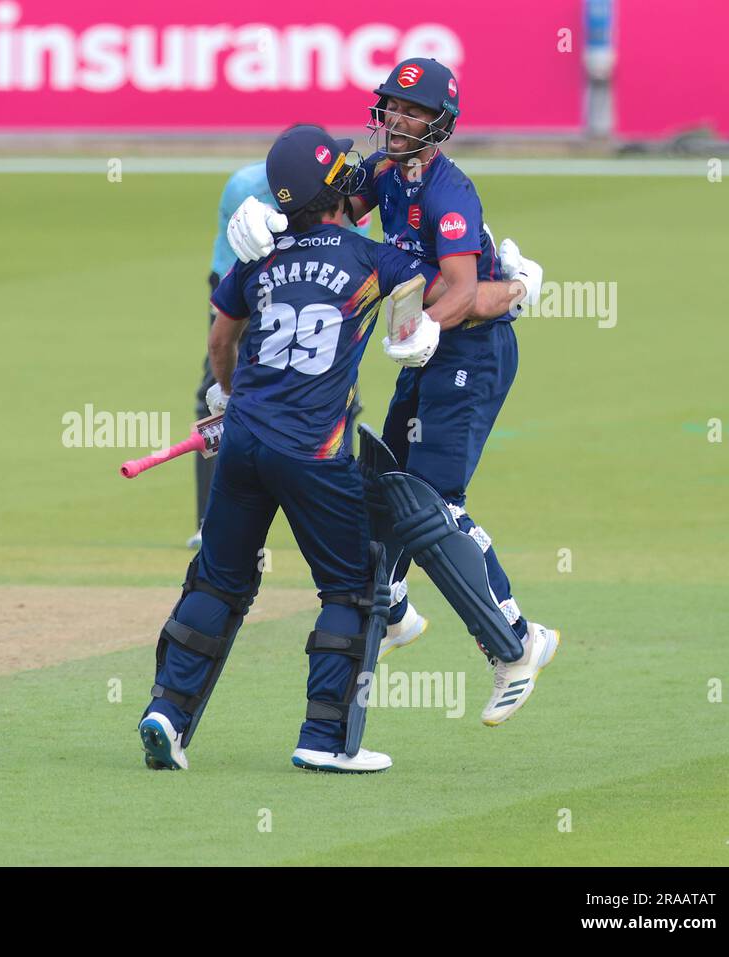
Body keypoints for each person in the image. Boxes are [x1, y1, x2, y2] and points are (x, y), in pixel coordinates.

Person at [139, 127, 515, 774]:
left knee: (219, 581)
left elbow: (221, 341)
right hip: (313, 452)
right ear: (341, 188)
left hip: (244, 443)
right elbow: (461, 298)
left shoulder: (255, 257)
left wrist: (229, 397)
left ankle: (167, 715)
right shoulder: (374, 260)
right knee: (355, 587)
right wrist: (517, 287)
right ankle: (325, 737)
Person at [226, 58, 557, 728]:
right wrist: (263, 213)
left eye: (414, 112)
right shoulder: (381, 173)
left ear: (441, 124)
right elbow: (322, 208)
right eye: (392, 107)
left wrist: (443, 320)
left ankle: (520, 642)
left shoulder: (450, 191)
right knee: (393, 484)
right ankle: (397, 599)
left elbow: (462, 290)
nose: (398, 120)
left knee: (433, 500)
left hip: (473, 350)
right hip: (427, 349)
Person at [189, 161, 372, 549]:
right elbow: (230, 272)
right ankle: (211, 519)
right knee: (216, 393)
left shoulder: (347, 191)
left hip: (321, 285)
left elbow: (344, 250)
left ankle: (339, 507)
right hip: (243, 279)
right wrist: (229, 374)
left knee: (338, 390)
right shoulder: (244, 187)